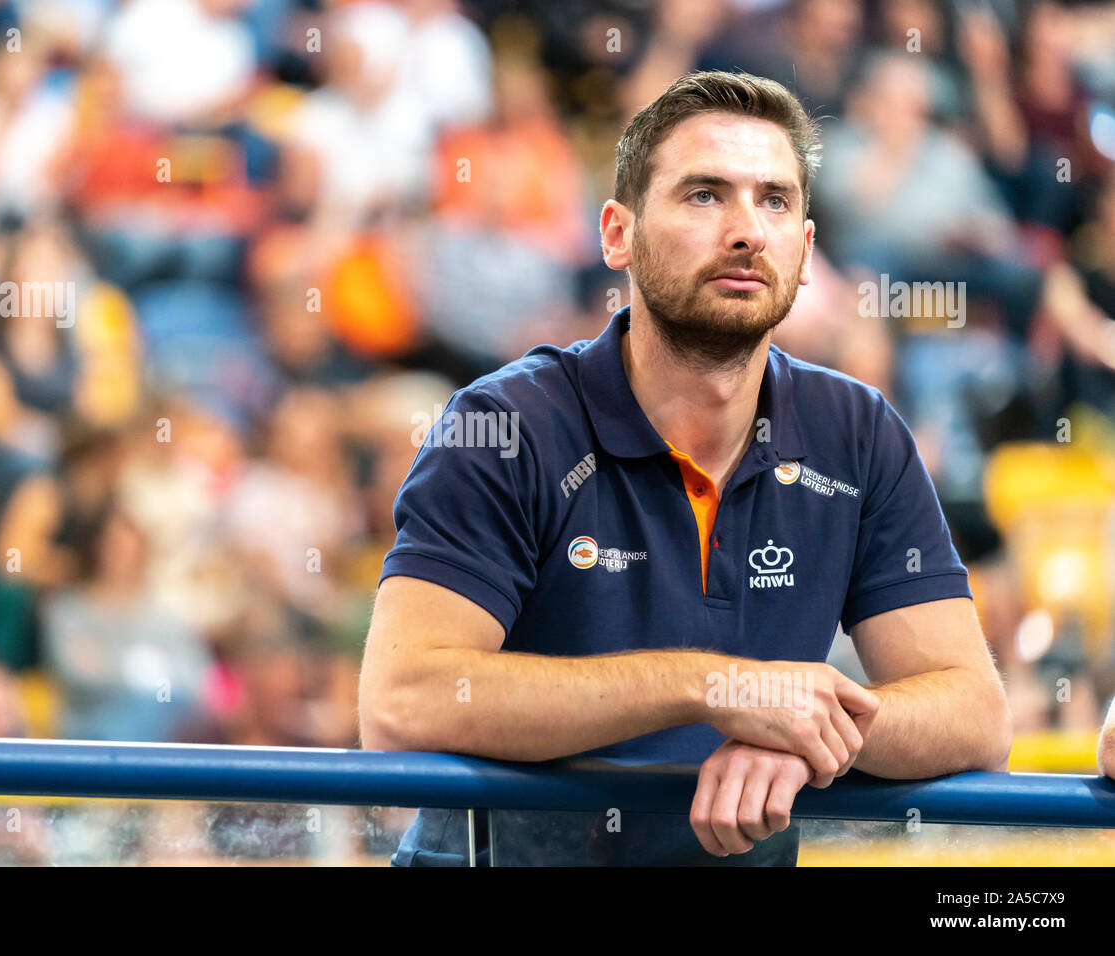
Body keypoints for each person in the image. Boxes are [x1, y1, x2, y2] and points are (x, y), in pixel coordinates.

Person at [358, 70, 1012, 866]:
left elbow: (973, 711)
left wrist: (809, 732)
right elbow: (402, 703)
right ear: (617, 235)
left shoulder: (858, 431)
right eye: (705, 195)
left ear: (805, 253)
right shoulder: (504, 425)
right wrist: (720, 689)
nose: (746, 231)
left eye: (775, 201)